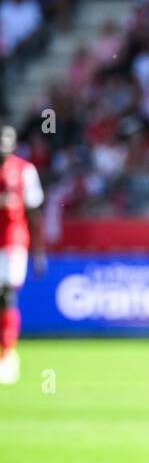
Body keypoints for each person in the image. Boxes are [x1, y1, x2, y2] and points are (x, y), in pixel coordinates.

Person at [0, 124, 45, 385]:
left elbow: (34, 214)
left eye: (7, 139)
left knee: (6, 294)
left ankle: (8, 354)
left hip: (13, 243)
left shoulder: (25, 171)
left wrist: (39, 252)